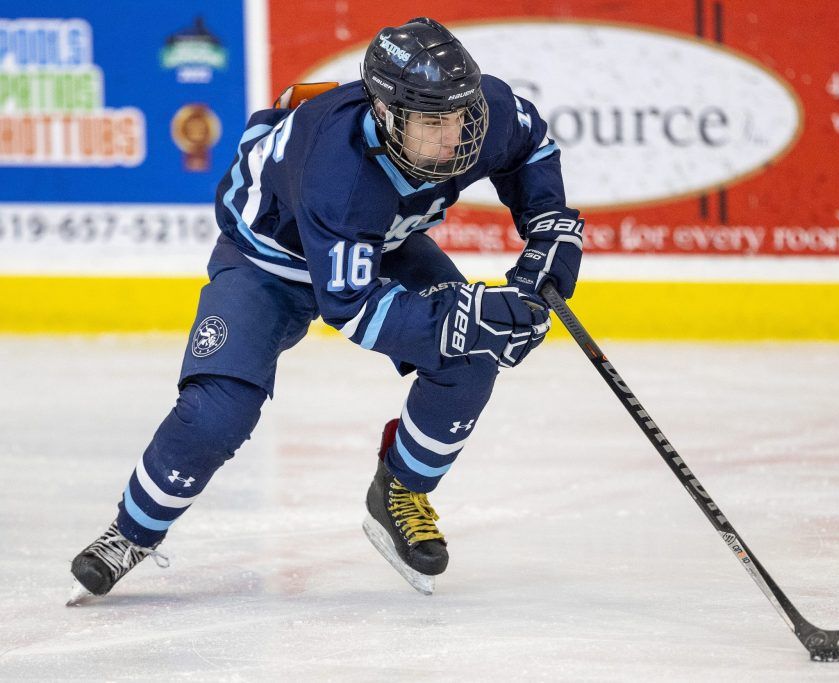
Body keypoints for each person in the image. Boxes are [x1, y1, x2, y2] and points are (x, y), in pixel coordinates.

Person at [68, 17, 584, 602]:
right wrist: (461, 318)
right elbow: (354, 309)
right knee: (218, 410)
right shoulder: (339, 173)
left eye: (460, 117)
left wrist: (549, 232)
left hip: (378, 239)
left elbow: (531, 147)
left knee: (470, 354)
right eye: (433, 124)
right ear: (387, 116)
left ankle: (400, 491)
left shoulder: (477, 110)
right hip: (269, 258)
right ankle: (131, 532)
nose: (454, 138)